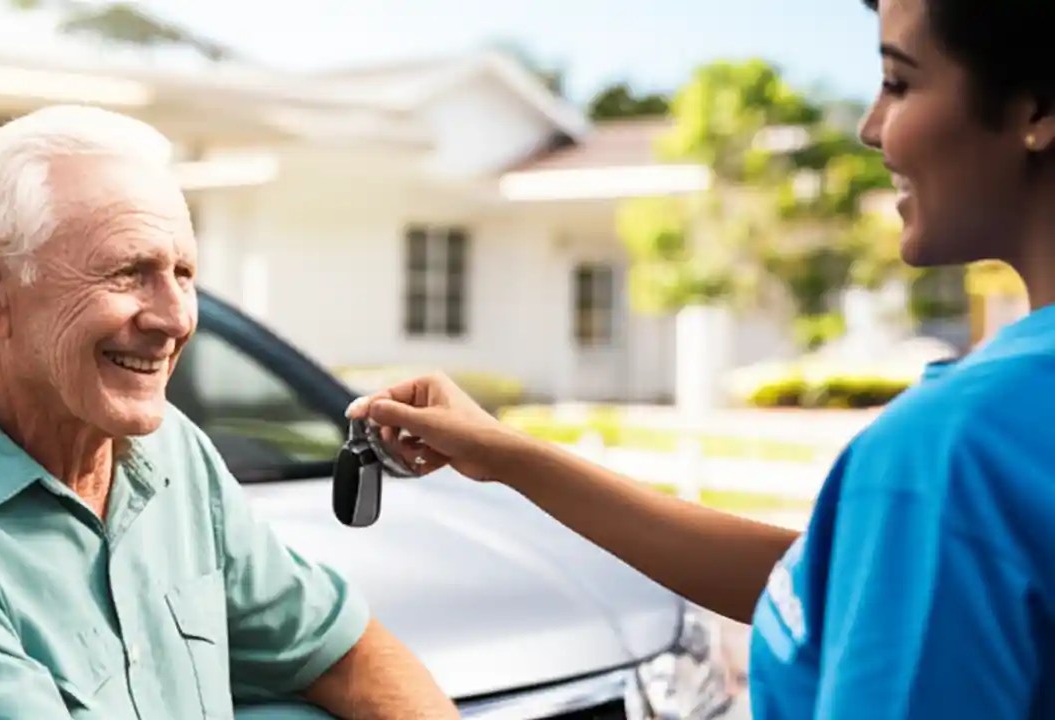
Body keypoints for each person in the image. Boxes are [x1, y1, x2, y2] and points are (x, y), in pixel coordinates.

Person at [348, 0, 1055, 717]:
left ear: (1038, 107)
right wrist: (506, 455)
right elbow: (831, 588)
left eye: (899, 83)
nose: (871, 129)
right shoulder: (979, 457)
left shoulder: (946, 457)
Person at [0, 105, 458, 720]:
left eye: (183, 272)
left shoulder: (172, 453)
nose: (175, 318)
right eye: (126, 272)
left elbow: (344, 653)